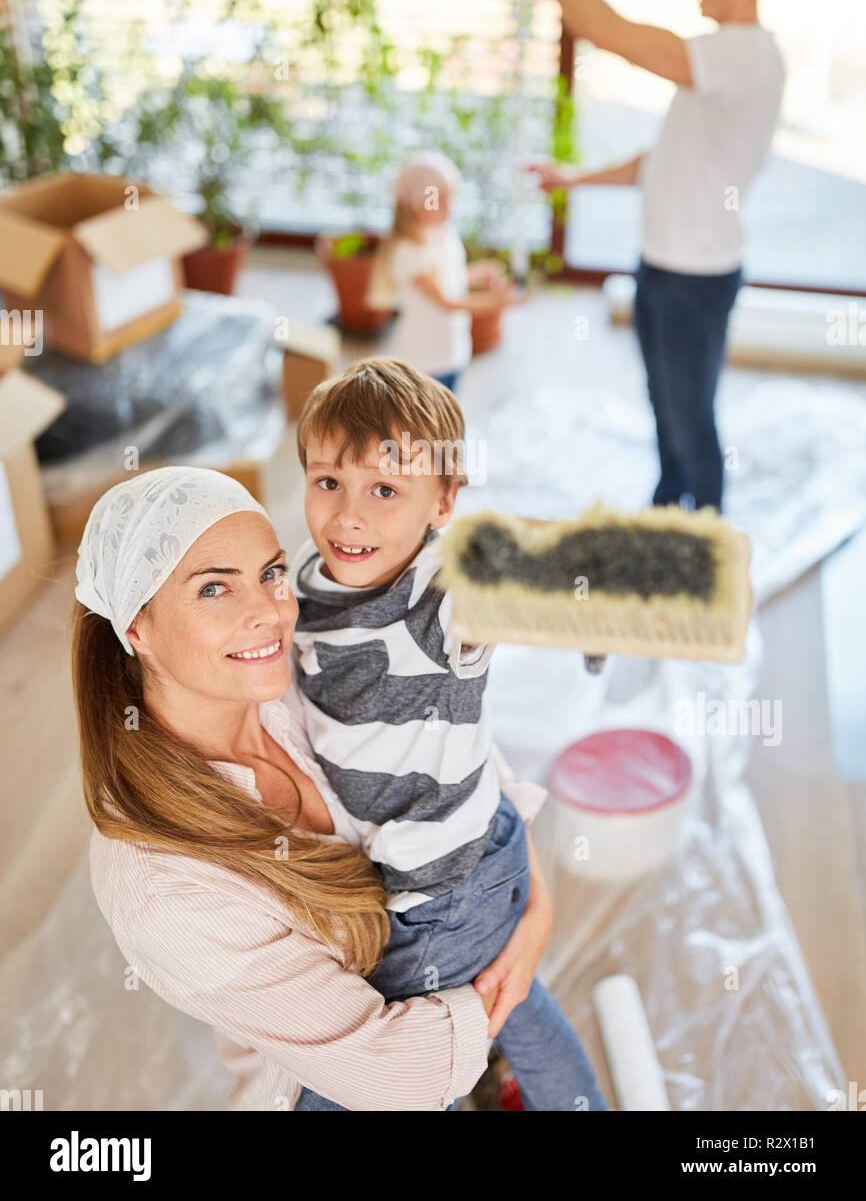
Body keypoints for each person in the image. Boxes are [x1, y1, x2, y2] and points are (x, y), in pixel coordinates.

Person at [74, 466, 561, 1111]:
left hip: (447, 957)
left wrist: (532, 906)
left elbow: (447, 750)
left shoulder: (302, 661)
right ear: (135, 628)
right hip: (340, 1083)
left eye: (272, 572)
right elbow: (391, 1075)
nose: (268, 614)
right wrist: (514, 960)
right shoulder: (158, 885)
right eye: (215, 588)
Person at [288, 356, 607, 1111]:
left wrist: (592, 603)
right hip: (459, 843)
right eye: (329, 481)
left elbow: (517, 580)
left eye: (386, 491)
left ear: (443, 504)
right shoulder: (313, 578)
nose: (349, 516)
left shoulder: (441, 600)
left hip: (441, 882)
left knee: (388, 1051)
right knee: (507, 998)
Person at [510, 0, 786, 512]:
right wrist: (575, 181)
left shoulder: (743, 57)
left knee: (691, 419)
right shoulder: (716, 62)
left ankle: (710, 542)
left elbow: (606, 32)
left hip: (696, 279)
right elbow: (662, 161)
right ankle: (667, 508)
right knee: (666, 407)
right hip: (662, 266)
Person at [367, 151, 519, 393]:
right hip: (426, 361)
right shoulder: (408, 251)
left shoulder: (442, 233)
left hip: (453, 350)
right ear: (416, 202)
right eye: (441, 200)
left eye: (451, 198)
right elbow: (445, 301)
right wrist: (496, 301)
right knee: (429, 427)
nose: (450, 207)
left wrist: (479, 273)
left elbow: (449, 276)